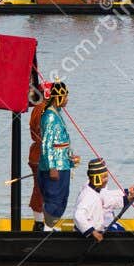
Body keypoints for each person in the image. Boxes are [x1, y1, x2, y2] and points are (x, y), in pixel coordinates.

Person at [36, 81, 79, 230]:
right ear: (58, 97)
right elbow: (47, 144)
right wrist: (52, 167)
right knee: (54, 198)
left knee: (62, 198)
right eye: (65, 96)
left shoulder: (57, 113)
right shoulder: (50, 116)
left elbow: (61, 141)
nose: (67, 99)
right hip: (55, 166)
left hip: (63, 162)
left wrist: (71, 159)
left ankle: (50, 225)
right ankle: (47, 228)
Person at [72, 158, 134, 240]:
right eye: (104, 177)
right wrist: (92, 232)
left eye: (106, 176)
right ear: (96, 178)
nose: (106, 180)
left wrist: (128, 195)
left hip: (99, 228)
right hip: (90, 235)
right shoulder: (88, 195)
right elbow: (78, 215)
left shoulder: (96, 190)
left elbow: (107, 198)